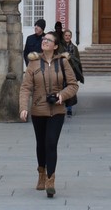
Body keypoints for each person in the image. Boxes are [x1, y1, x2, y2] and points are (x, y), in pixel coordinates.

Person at [19, 30, 79, 198]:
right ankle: (41, 172)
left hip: (57, 110)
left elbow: (73, 85)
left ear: (55, 46)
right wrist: (23, 107)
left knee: (51, 143)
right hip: (38, 110)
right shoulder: (33, 63)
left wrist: (62, 95)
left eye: (48, 40)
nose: (44, 41)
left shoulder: (63, 62)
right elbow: (25, 88)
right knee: (41, 144)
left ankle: (50, 180)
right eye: (44, 39)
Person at [60, 27, 85, 116]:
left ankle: (69, 109)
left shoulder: (74, 48)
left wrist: (79, 74)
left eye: (69, 36)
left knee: (70, 90)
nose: (67, 37)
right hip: (61, 71)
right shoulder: (59, 47)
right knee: (61, 89)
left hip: (71, 72)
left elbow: (78, 61)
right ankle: (61, 107)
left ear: (71, 37)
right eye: (66, 35)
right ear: (63, 36)